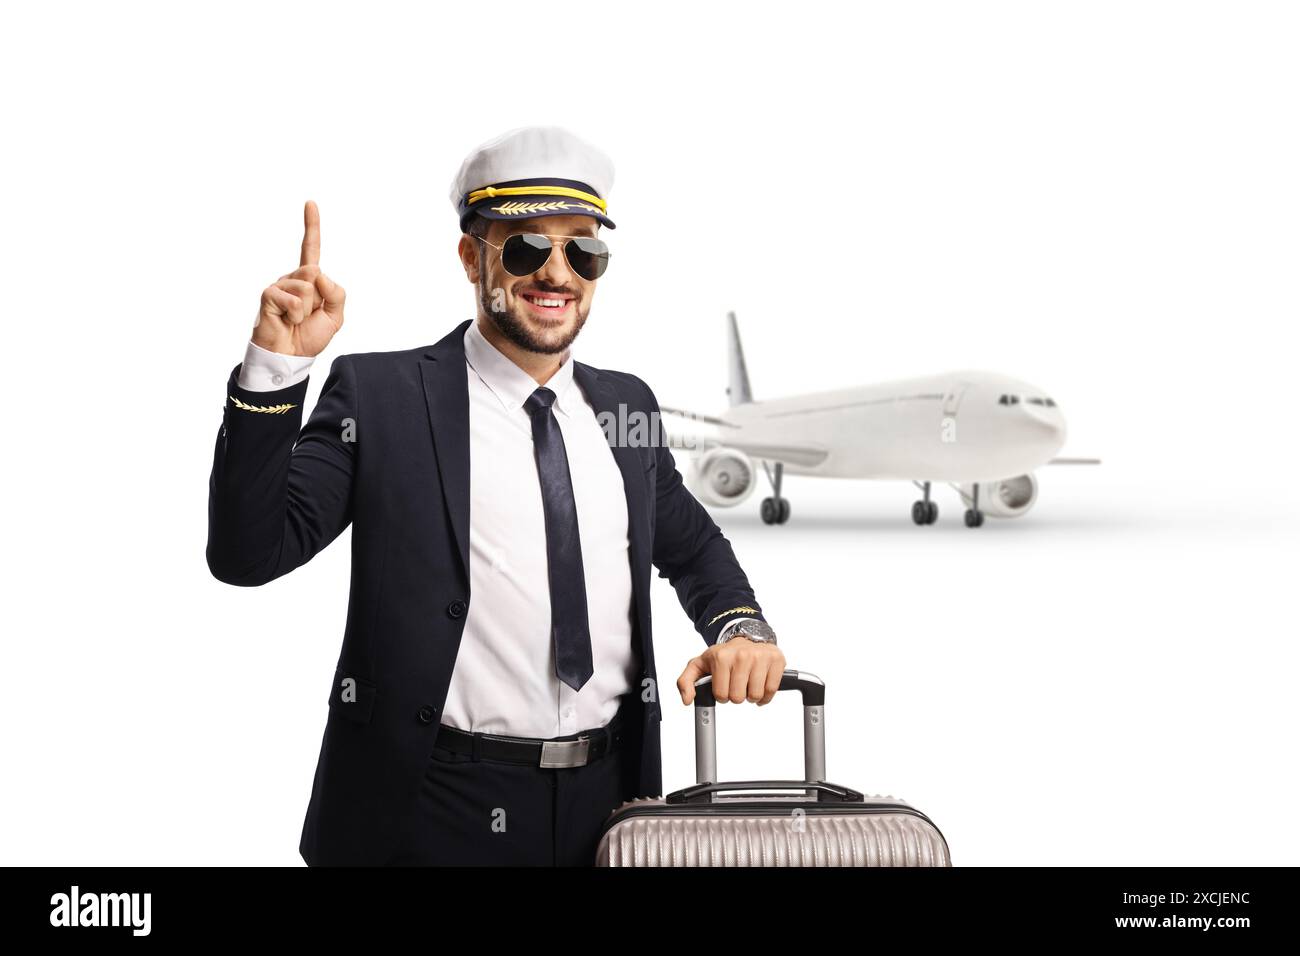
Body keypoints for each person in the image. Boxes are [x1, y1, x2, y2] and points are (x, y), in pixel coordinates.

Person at [207, 125, 784, 866]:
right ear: (470, 256)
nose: (557, 273)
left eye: (584, 249)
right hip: (431, 807)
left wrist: (742, 629)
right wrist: (275, 375)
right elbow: (249, 554)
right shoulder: (382, 397)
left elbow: (693, 546)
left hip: (610, 806)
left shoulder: (623, 406)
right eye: (524, 248)